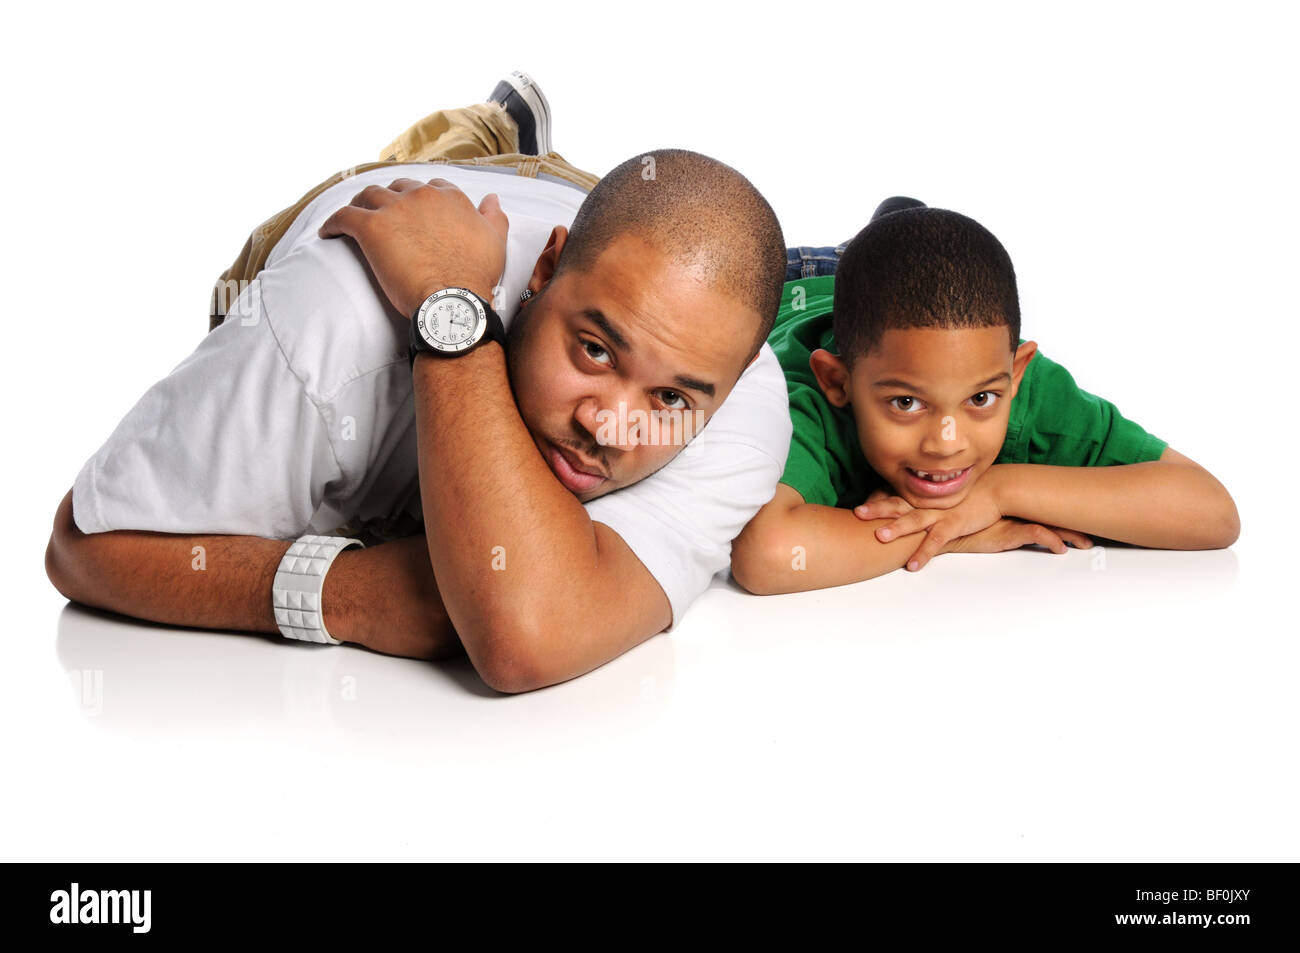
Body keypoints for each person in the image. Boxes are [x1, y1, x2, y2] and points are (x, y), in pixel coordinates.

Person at [45, 73, 793, 693]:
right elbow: (82, 543)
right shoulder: (328, 326)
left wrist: (373, 593)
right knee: (419, 172)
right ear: (543, 271)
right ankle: (489, 132)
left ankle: (503, 145)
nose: (608, 425)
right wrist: (353, 593)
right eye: (594, 350)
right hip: (381, 206)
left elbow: (524, 630)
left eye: (667, 401)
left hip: (570, 194)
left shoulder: (739, 393)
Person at [731, 199, 1239, 595]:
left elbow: (1213, 513)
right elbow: (767, 555)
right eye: (906, 403)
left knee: (899, 243)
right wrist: (954, 533)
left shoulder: (1032, 395)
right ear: (838, 382)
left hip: (883, 289)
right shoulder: (806, 402)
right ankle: (887, 223)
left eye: (980, 400)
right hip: (787, 288)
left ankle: (896, 217)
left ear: (1016, 372)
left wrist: (998, 491)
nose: (946, 444)